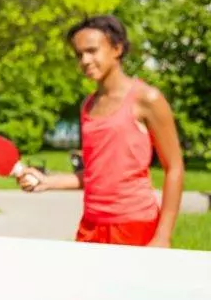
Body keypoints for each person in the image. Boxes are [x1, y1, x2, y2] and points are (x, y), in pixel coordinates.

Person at [17, 15, 184, 248]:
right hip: (91, 226)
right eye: (79, 54)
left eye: (92, 51)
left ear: (117, 48)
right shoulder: (88, 106)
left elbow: (174, 167)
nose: (85, 60)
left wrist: (163, 235)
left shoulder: (147, 99)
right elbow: (96, 174)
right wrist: (47, 182)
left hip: (134, 225)